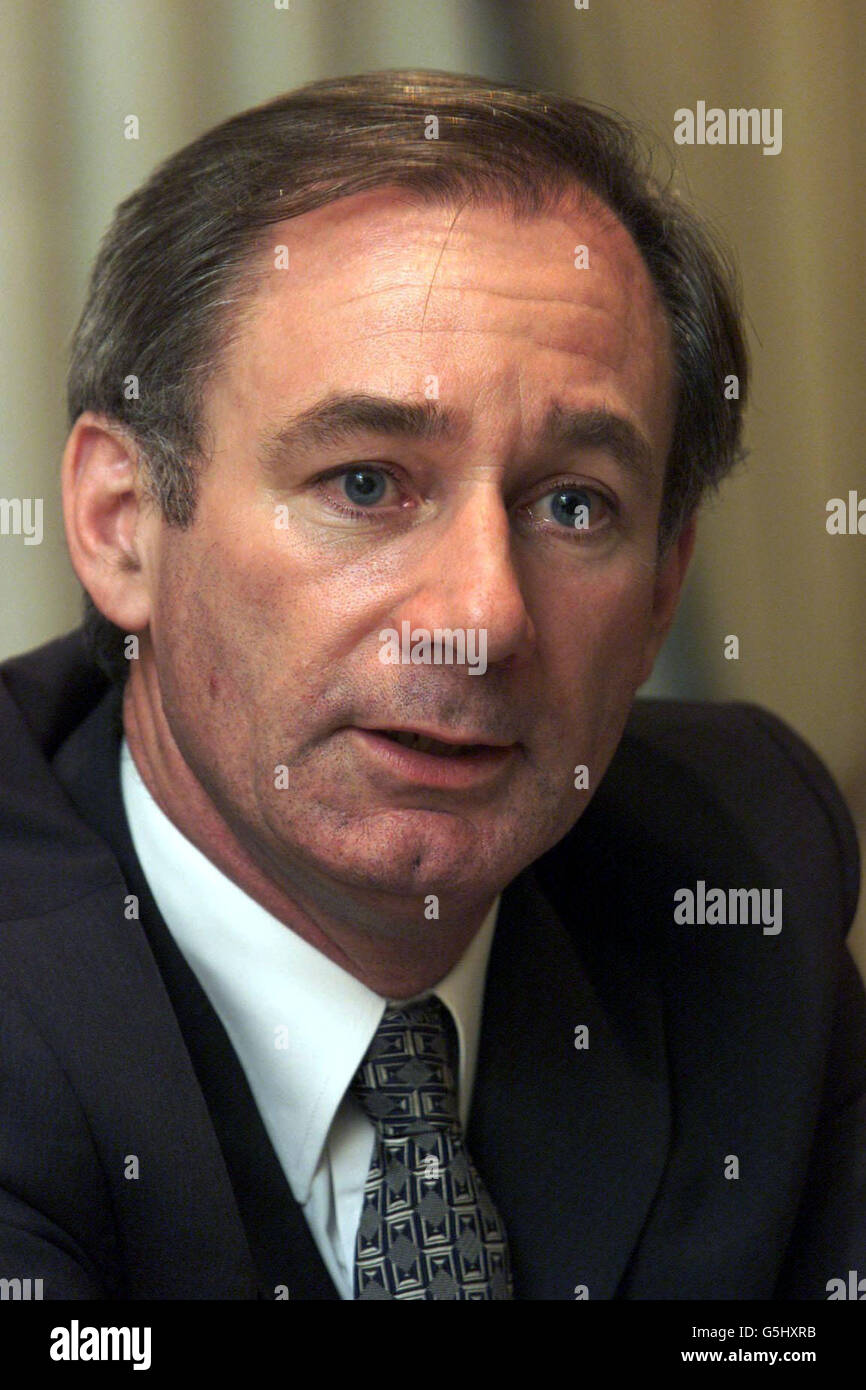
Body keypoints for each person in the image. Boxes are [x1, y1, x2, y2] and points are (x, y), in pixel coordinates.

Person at [0, 68, 863, 1302]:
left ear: (666, 580)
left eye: (573, 506)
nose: (482, 621)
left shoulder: (733, 874)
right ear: (121, 522)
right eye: (366, 484)